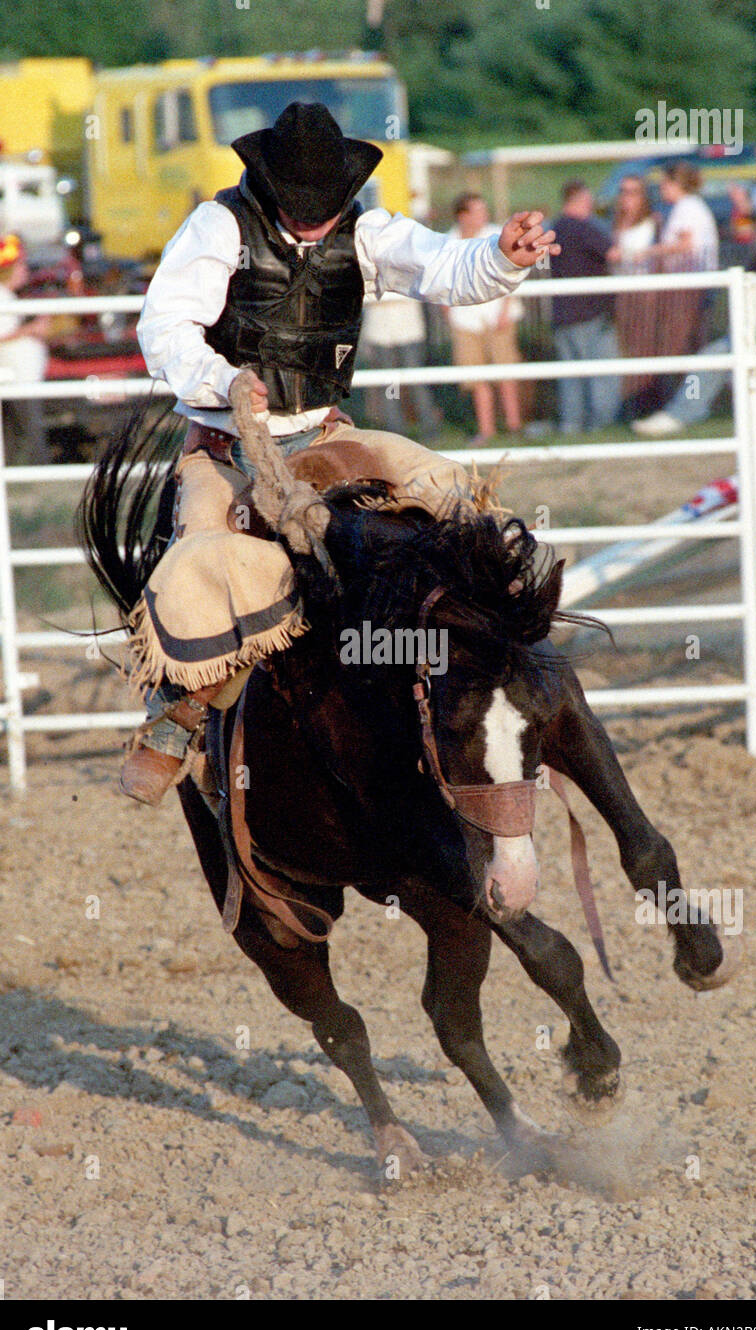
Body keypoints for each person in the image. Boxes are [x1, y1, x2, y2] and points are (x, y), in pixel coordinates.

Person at [122, 102, 559, 805]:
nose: (311, 216)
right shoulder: (216, 228)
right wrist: (225, 381)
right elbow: (166, 325)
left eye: (323, 204)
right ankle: (175, 715)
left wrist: (502, 257)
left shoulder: (368, 230)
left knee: (452, 495)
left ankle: (496, 661)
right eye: (298, 203)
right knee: (202, 554)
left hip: (326, 437)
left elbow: (446, 267)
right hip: (227, 448)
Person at [634, 208, 756, 435]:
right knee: (710, 358)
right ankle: (689, 407)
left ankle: (682, 412)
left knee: (710, 357)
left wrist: (751, 328)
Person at [446, 193, 526, 444]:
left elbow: (515, 273)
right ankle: (486, 429)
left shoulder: (497, 236)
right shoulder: (448, 241)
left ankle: (514, 426)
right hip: (465, 320)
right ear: (463, 215)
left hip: (497, 315)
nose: (484, 215)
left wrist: (505, 311)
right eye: (477, 211)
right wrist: (447, 311)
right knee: (475, 377)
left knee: (505, 372)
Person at [550, 180, 619, 433]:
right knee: (599, 371)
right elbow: (614, 254)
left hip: (561, 312)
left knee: (570, 375)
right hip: (590, 311)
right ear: (581, 200)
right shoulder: (584, 228)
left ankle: (570, 424)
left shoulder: (555, 228)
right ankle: (601, 423)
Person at [0, 233, 50, 466]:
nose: (25, 271)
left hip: (18, 375)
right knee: (29, 431)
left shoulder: (1, 294)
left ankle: (12, 473)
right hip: (15, 376)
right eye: (21, 266)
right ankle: (39, 473)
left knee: (12, 432)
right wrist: (33, 328)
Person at [606, 176, 659, 420]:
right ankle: (630, 406)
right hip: (623, 293)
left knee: (644, 349)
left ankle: (644, 406)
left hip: (643, 294)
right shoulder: (618, 224)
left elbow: (642, 257)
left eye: (633, 192)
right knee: (627, 350)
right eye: (623, 191)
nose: (627, 196)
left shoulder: (650, 224)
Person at [358, 292, 442, 437]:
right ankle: (395, 429)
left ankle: (429, 427)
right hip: (380, 329)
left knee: (417, 381)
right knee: (391, 385)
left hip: (409, 327)